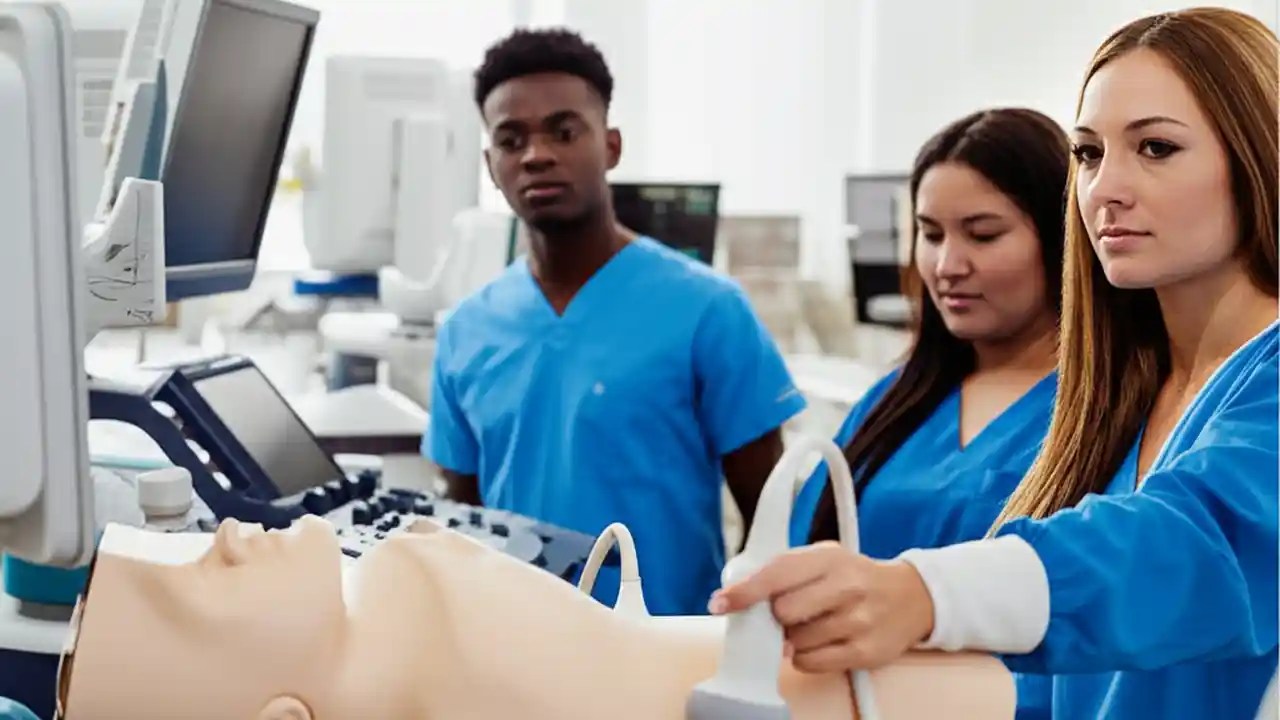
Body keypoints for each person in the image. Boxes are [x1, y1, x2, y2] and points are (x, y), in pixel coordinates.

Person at [711, 7, 1278, 720]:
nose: (1105, 188)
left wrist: (923, 594)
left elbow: (1192, 545)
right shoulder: (1123, 397)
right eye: (1088, 154)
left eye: (1156, 148)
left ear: (1260, 156)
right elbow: (1050, 683)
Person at [426, 28, 806, 616]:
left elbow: (771, 525)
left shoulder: (707, 310)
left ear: (611, 146)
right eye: (511, 139)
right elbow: (464, 525)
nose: (536, 155)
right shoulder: (466, 331)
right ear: (491, 165)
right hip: (511, 643)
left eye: (563, 131)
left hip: (666, 648)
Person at [58, 517, 1017, 719]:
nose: (224, 535)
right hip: (863, 699)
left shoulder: (375, 599)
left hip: (866, 665)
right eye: (198, 584)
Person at [789, 107, 1068, 720]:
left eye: (983, 235)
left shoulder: (1094, 419)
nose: (948, 265)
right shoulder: (894, 403)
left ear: (1060, 238)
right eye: (931, 234)